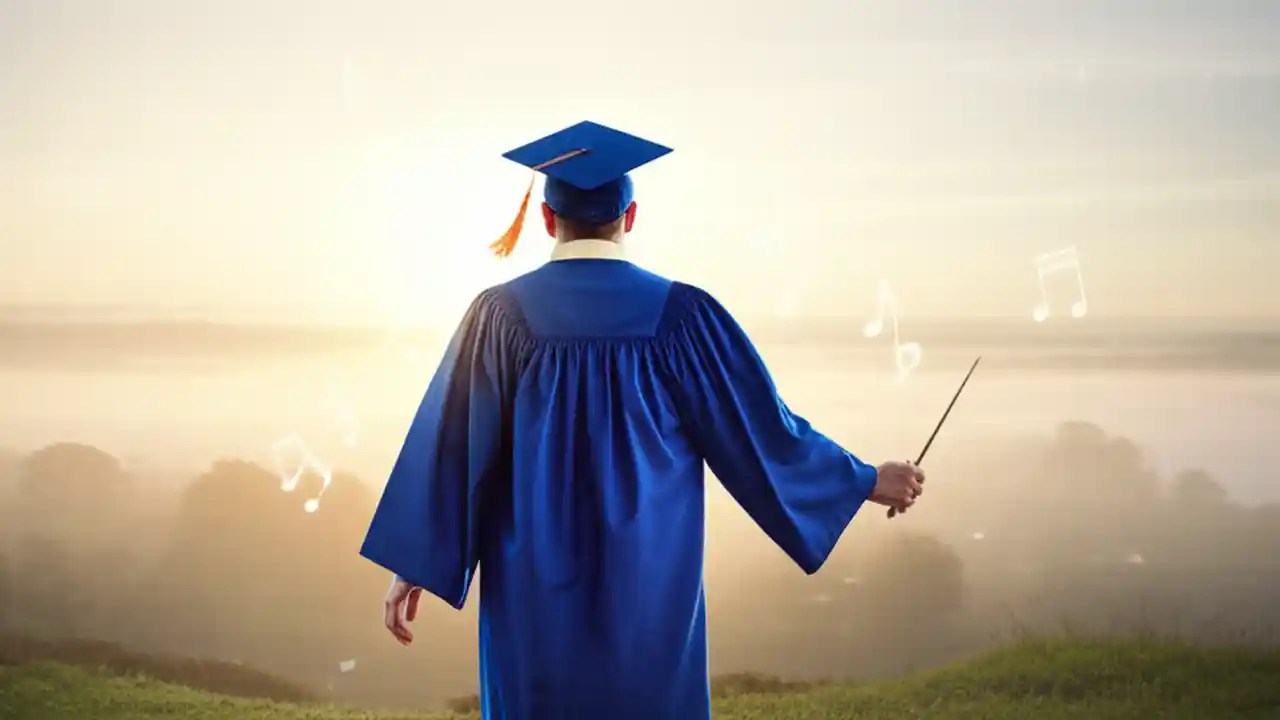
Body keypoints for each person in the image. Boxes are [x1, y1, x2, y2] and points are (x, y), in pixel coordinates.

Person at [359, 120, 925, 720]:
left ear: (548, 220)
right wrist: (864, 479)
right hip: (650, 583)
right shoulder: (685, 316)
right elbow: (762, 431)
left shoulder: (498, 316)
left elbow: (454, 447)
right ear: (629, 217)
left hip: (530, 589)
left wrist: (414, 562)